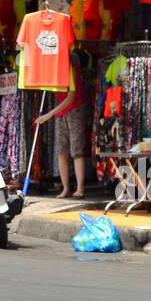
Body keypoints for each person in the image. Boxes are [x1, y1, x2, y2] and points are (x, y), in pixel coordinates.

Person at [33, 48, 88, 199]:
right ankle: (65, 188)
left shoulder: (70, 68)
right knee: (62, 150)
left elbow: (71, 97)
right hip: (62, 111)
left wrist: (49, 115)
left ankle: (80, 188)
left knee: (76, 149)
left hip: (74, 109)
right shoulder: (55, 70)